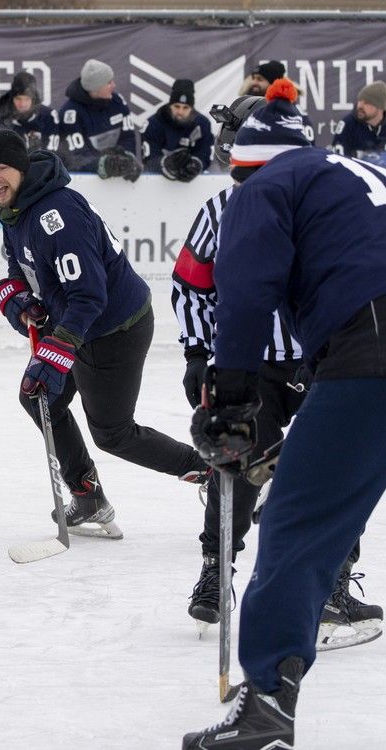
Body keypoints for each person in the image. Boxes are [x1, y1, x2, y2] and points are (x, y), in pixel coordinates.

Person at [182, 78, 386, 750]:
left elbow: (245, 283)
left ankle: (267, 703)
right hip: (358, 344)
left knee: (298, 522)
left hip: (373, 348)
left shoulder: (263, 186)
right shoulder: (363, 168)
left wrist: (231, 392)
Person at [0, 130, 208, 539]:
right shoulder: (13, 208)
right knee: (39, 396)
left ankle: (212, 472)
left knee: (113, 433)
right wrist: (16, 297)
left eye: (3, 168)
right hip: (77, 321)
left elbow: (88, 295)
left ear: (23, 168)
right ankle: (88, 495)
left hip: (113, 327)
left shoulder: (57, 213)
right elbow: (23, 269)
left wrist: (57, 349)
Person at [57, 59, 141, 181]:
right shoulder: (70, 114)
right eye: (109, 82)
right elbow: (76, 156)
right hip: (84, 181)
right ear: (95, 88)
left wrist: (127, 160)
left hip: (116, 179)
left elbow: (128, 137)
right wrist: (104, 164)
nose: (114, 85)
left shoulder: (118, 101)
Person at [142, 79, 213, 181]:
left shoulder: (202, 124)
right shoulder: (154, 123)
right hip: (157, 183)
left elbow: (205, 154)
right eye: (176, 106)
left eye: (185, 108)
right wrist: (167, 164)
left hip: (192, 185)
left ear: (192, 108)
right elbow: (149, 160)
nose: (180, 112)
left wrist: (194, 165)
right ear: (170, 105)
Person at [0, 70, 60, 152]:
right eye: (18, 99)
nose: (22, 104)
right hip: (6, 163)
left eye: (27, 99)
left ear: (33, 99)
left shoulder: (48, 116)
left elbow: (51, 155)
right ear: (12, 98)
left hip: (39, 162)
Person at [331, 80, 386, 163]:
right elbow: (339, 161)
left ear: (380, 107)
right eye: (359, 101)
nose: (360, 106)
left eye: (367, 103)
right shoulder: (348, 124)